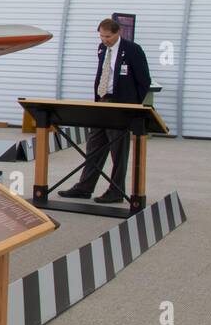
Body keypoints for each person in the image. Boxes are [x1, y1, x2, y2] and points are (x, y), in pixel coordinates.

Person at [59, 18, 151, 205]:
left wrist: (131, 107)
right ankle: (84, 187)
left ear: (118, 33)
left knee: (118, 150)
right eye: (101, 36)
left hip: (121, 106)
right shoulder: (102, 49)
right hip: (102, 102)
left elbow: (144, 81)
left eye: (108, 36)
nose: (104, 39)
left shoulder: (133, 50)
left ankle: (116, 191)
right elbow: (102, 74)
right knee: (94, 146)